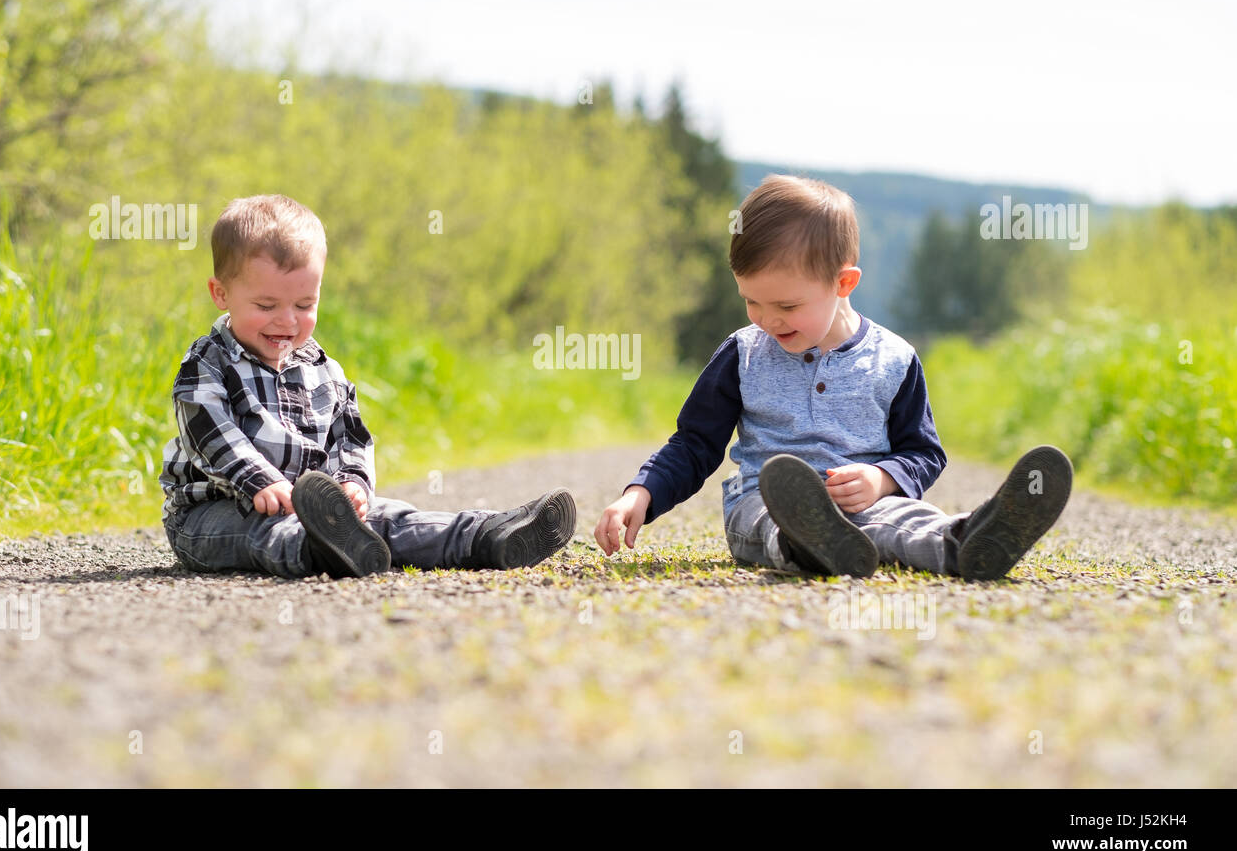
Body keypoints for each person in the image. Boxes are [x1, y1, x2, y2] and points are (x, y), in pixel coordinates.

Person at [594, 175, 1071, 581]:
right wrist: (642, 492)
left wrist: (881, 478)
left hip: (863, 506)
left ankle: (970, 542)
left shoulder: (894, 360)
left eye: (786, 306)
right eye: (750, 300)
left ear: (843, 284)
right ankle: (808, 545)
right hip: (763, 501)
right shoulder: (743, 354)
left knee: (906, 521)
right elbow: (694, 445)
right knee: (769, 522)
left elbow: (923, 452)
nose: (765, 319)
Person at [159, 194, 576, 579]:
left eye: (305, 306)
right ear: (221, 293)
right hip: (214, 513)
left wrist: (352, 482)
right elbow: (210, 432)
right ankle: (321, 550)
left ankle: (485, 536)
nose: (287, 321)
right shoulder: (208, 363)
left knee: (390, 518)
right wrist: (259, 481)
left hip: (317, 510)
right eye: (266, 306)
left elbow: (350, 435)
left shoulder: (323, 369)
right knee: (265, 532)